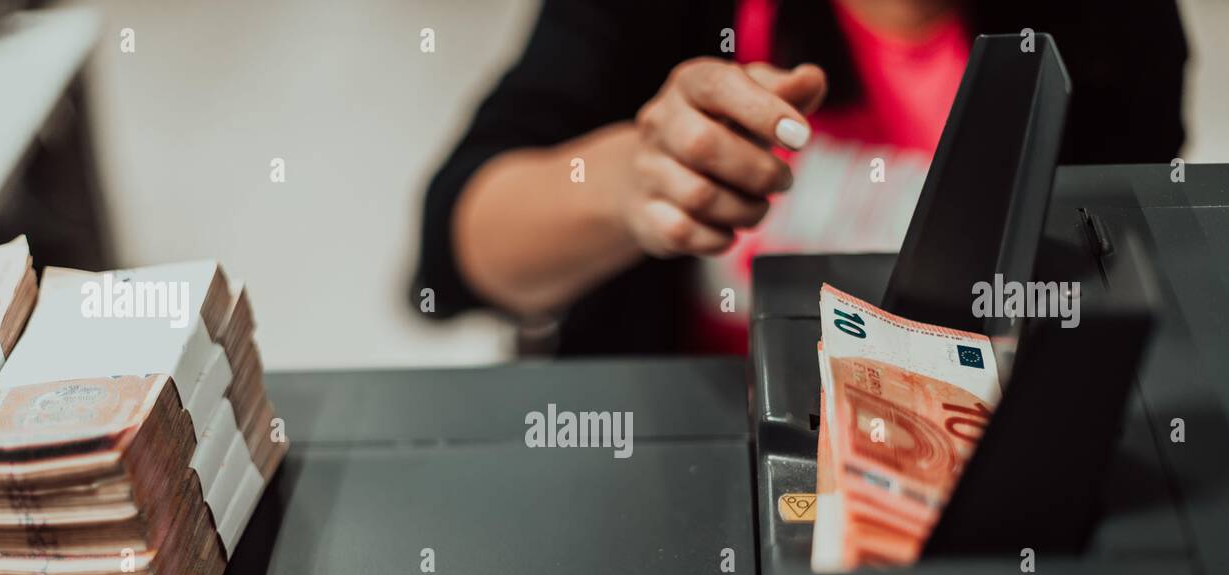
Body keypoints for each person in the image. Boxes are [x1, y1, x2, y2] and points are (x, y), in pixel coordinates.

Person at [414, 0, 1187, 355]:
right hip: (686, 440)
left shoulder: (1116, 30)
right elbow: (460, 249)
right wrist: (634, 184)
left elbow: (1120, 273)